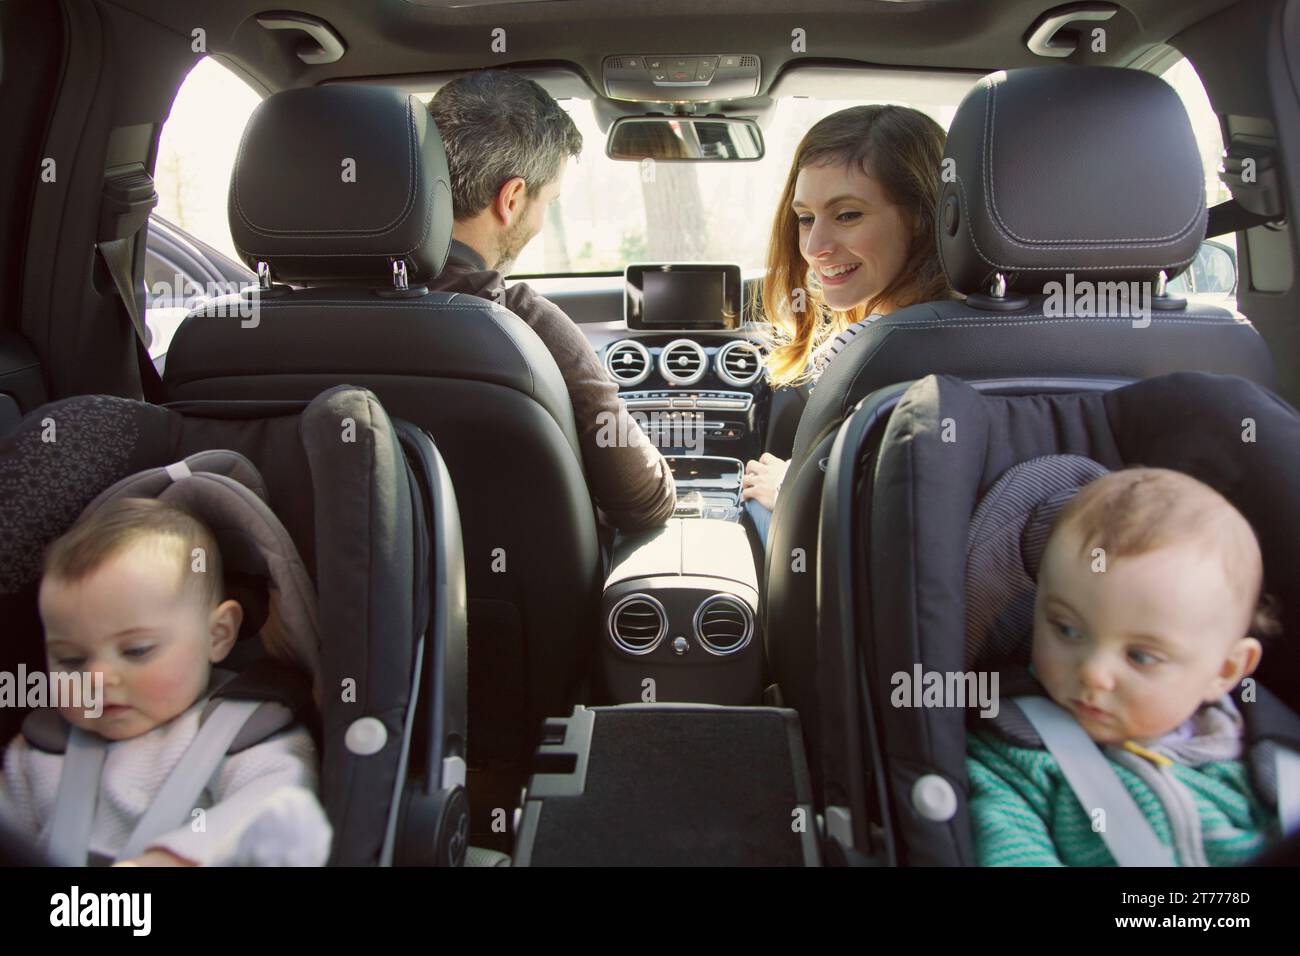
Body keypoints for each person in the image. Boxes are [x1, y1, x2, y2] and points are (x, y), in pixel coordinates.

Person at [966, 468, 1282, 866]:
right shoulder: (1013, 762)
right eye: (1067, 630)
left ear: (1225, 671)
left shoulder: (1263, 762)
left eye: (1141, 656)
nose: (1093, 673)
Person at [0, 498, 330, 867]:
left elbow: (282, 812)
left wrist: (173, 859)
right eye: (71, 660)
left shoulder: (247, 737)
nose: (96, 678)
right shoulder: (36, 756)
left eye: (137, 650)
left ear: (218, 635)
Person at [427, 71, 675, 531]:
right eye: (550, 200)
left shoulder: (284, 321)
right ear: (512, 198)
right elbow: (644, 502)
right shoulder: (524, 324)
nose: (543, 217)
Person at [741, 105, 951, 545]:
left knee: (749, 505)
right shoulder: (1045, 328)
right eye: (805, 218)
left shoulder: (865, 352)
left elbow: (860, 526)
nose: (815, 246)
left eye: (848, 215)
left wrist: (790, 492)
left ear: (921, 216)